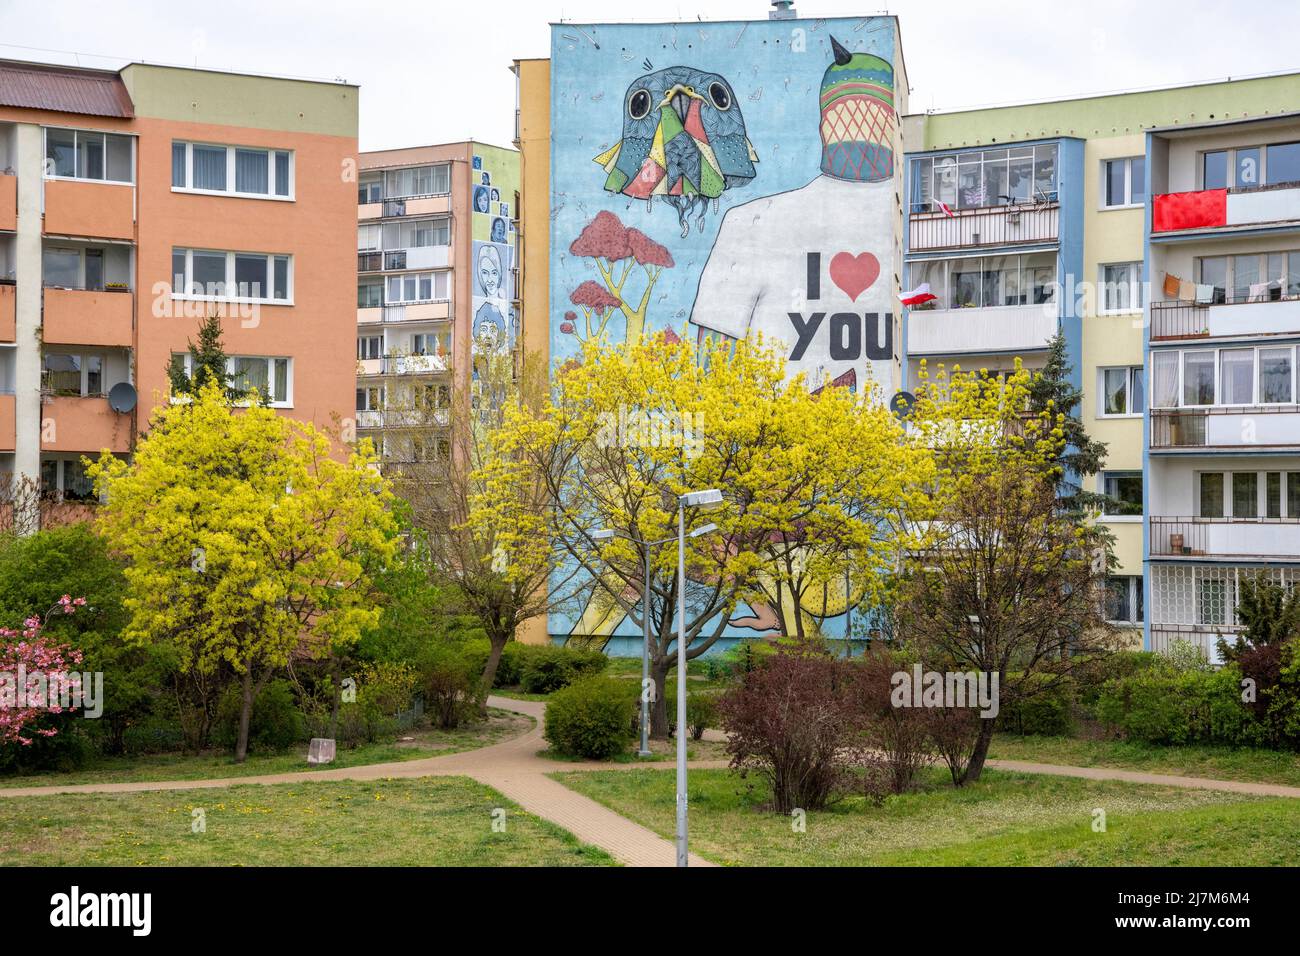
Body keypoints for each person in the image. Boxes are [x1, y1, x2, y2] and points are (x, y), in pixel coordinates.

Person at [689, 40, 897, 395]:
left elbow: (712, 369)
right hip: (788, 438)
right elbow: (713, 367)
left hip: (769, 439)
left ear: (824, 129)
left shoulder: (752, 221)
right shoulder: (904, 222)